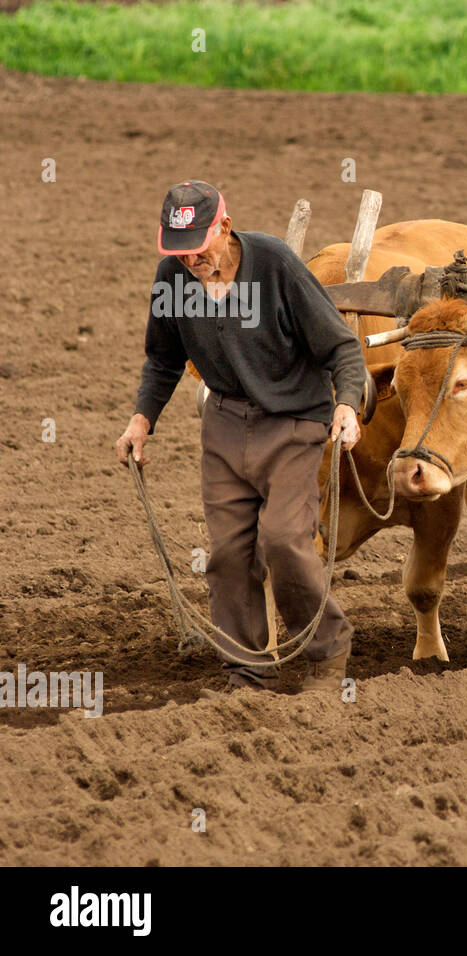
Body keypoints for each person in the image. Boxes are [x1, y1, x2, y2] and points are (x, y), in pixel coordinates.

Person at [114, 181, 366, 696]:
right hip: (225, 423)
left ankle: (326, 651)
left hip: (294, 422)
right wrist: (142, 420)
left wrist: (347, 404)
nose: (190, 259)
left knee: (282, 541)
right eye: (178, 250)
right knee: (228, 554)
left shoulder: (274, 264)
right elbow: (162, 359)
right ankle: (248, 670)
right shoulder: (173, 278)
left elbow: (341, 347)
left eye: (198, 246)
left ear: (224, 227)